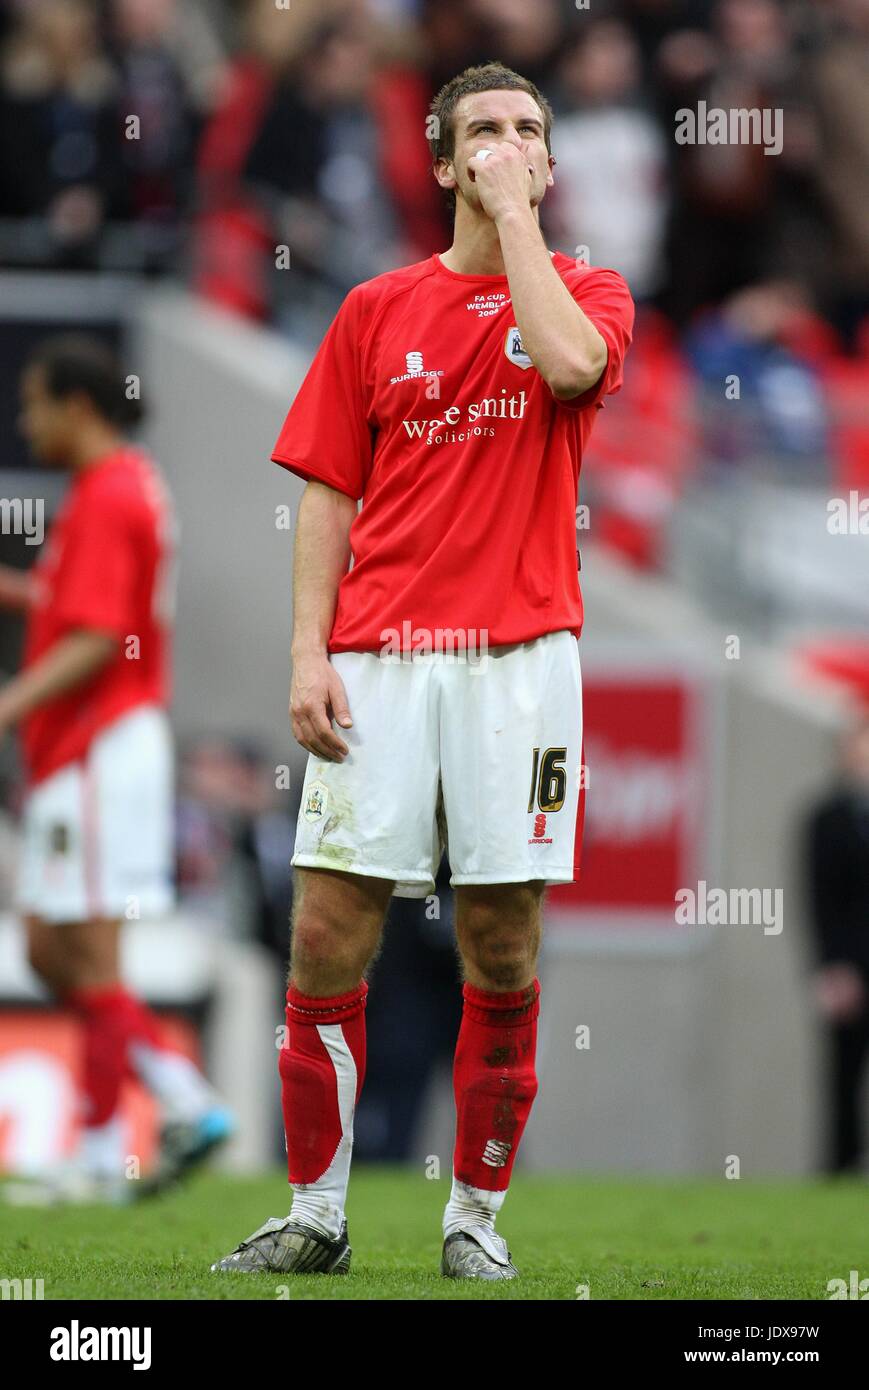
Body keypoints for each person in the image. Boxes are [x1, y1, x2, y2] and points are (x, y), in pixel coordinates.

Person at [213, 61, 633, 1281]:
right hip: (380, 658)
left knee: (500, 944)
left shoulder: (589, 293)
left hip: (521, 664)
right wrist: (306, 653)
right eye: (483, 135)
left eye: (527, 132)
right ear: (440, 163)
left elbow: (564, 372)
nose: (508, 146)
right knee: (327, 930)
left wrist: (517, 230)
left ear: (548, 165)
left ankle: (473, 1224)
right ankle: (316, 1214)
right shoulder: (372, 310)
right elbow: (327, 496)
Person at [0, 334, 233, 1205]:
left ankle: (173, 1104)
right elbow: (88, 609)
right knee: (56, 946)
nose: (26, 424)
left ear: (78, 405)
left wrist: (9, 706)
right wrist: (20, 592)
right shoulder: (129, 485)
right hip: (105, 747)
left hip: (98, 747)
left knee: (79, 952)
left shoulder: (105, 495)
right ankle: (116, 1139)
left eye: (34, 403)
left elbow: (101, 637)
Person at [804, 713, 869, 1176]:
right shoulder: (826, 819)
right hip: (849, 967)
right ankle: (841, 1167)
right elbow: (819, 899)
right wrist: (830, 967)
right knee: (843, 1076)